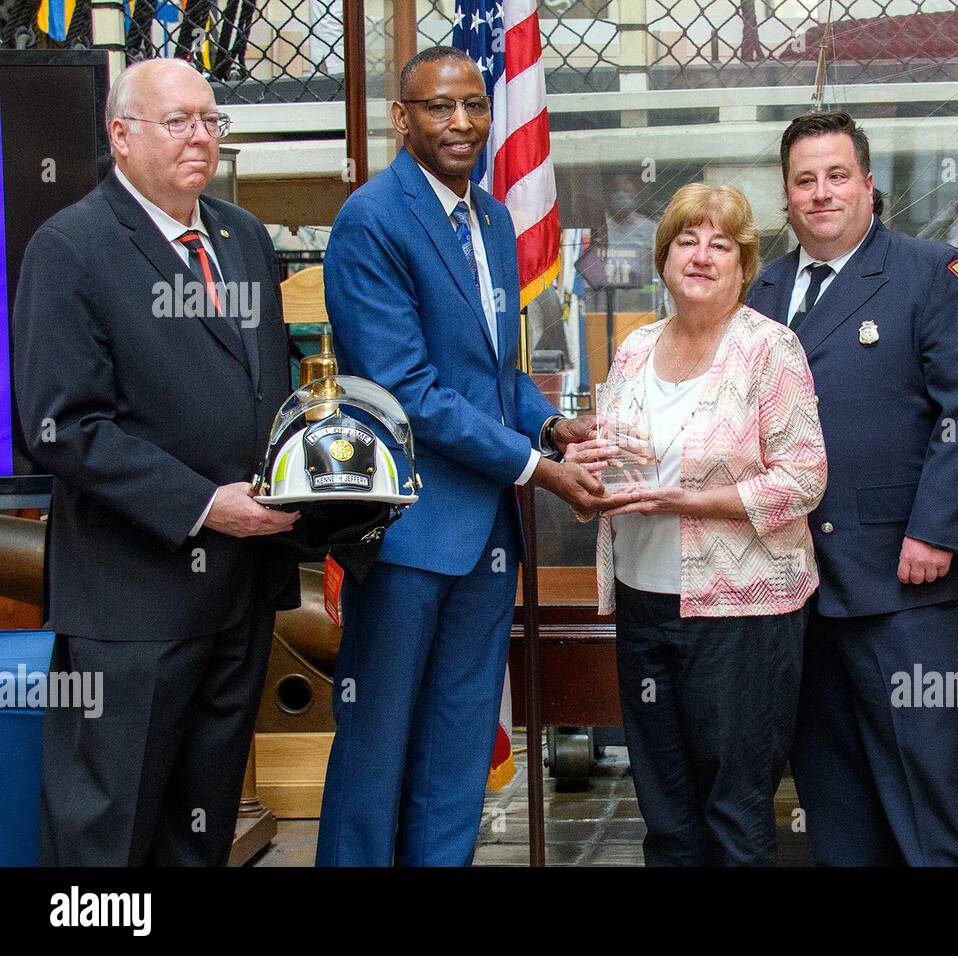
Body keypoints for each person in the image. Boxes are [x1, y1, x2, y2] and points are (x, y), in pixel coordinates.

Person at [316, 46, 615, 866]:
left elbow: (491, 370)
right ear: (401, 118)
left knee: (456, 746)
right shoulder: (371, 221)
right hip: (409, 537)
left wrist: (551, 427)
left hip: (485, 538)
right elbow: (406, 386)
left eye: (474, 106)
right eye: (439, 107)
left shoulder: (490, 217)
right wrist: (533, 468)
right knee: (378, 747)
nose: (461, 123)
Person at [11, 59, 301, 866]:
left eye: (211, 121)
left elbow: (259, 392)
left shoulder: (241, 238)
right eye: (178, 122)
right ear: (121, 134)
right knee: (108, 832)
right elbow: (61, 427)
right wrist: (206, 505)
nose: (201, 138)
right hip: (133, 607)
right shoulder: (70, 247)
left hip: (241, 590)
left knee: (199, 829)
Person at [747, 111, 958, 866]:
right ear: (787, 195)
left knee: (929, 791)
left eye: (837, 176)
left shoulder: (934, 272)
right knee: (833, 798)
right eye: (804, 180)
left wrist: (935, 528)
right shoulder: (763, 288)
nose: (821, 193)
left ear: (867, 184)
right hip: (799, 585)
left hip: (908, 582)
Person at [565, 183, 827, 865]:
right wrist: (585, 483)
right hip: (644, 603)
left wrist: (685, 501)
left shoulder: (771, 349)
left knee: (734, 816)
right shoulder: (632, 349)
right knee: (666, 816)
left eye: (721, 245)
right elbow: (618, 468)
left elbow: (804, 479)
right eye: (688, 239)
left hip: (742, 614)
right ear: (664, 257)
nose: (703, 255)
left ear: (744, 268)